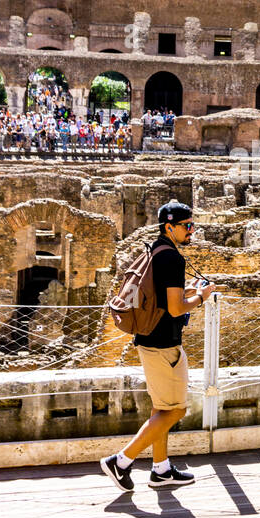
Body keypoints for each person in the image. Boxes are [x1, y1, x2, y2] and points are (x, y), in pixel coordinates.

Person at [101, 201, 217, 492]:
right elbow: (177, 309)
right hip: (164, 345)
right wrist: (202, 295)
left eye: (192, 225)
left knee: (160, 408)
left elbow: (163, 297)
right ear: (170, 227)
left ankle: (161, 469)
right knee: (176, 410)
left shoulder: (154, 251)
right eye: (187, 226)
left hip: (148, 339)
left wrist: (187, 290)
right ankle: (121, 461)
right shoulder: (174, 259)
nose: (192, 231)